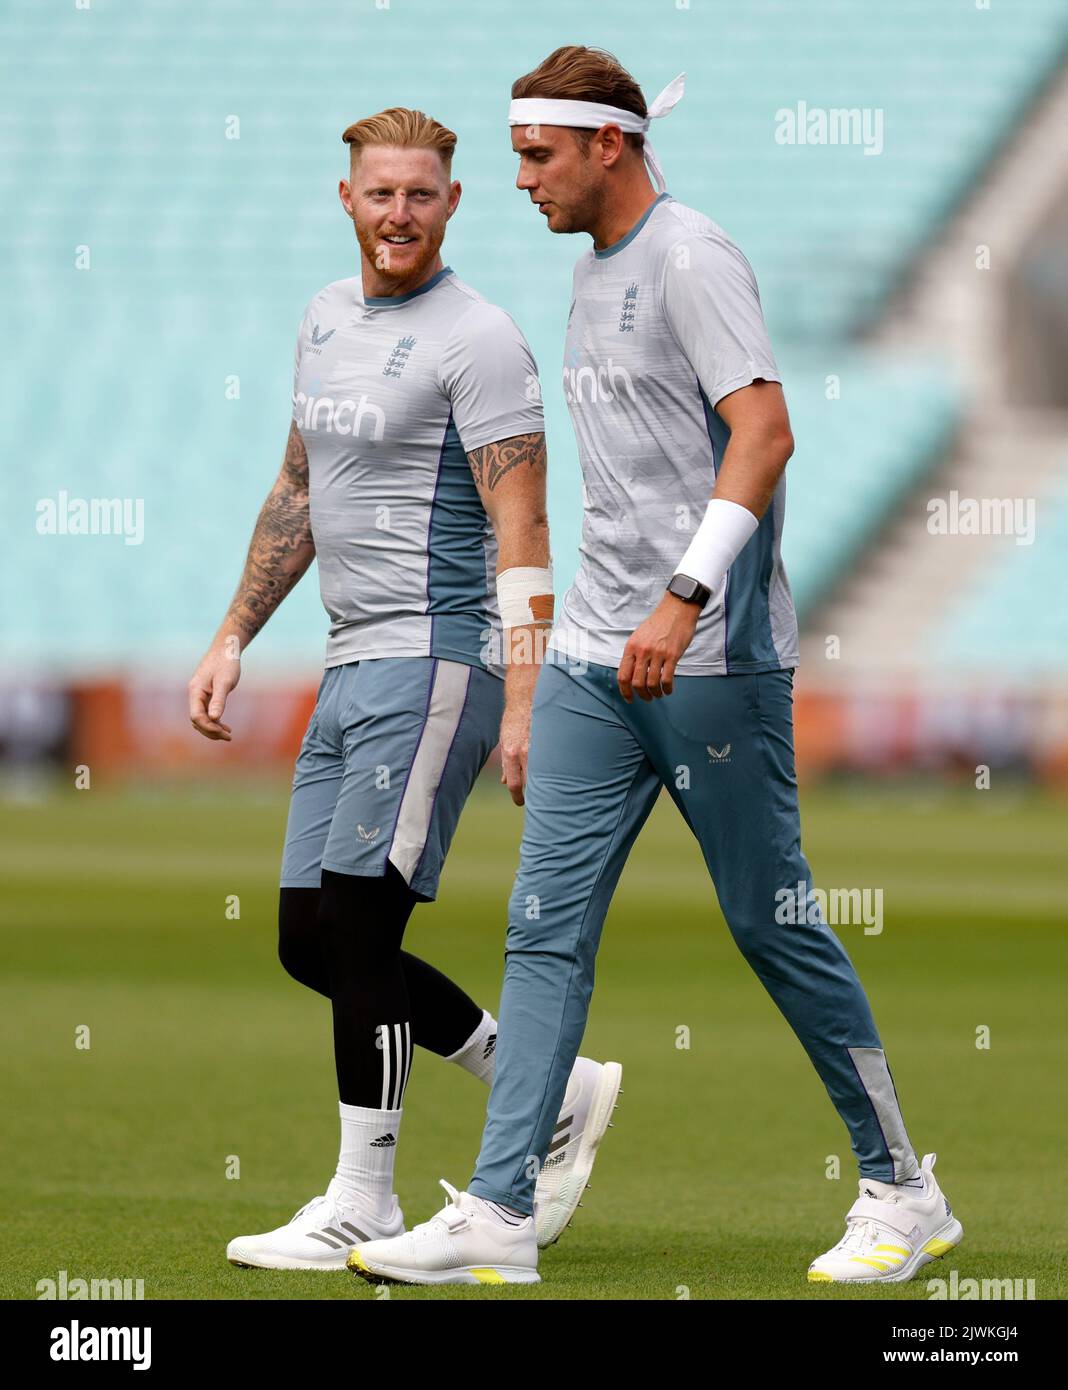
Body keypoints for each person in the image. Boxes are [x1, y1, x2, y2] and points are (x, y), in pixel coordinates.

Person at [349, 49, 962, 1288]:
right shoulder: (593, 276)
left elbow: (766, 432)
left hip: (708, 656)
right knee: (541, 928)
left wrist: (685, 597)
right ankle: (502, 1212)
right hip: (590, 655)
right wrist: (540, 679)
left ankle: (904, 1187)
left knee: (770, 918)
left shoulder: (691, 256)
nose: (518, 180)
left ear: (608, 145)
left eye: (537, 156)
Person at [187, 104, 621, 1271]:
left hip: (437, 660)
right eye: (380, 193)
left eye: (421, 194)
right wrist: (233, 631)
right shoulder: (323, 320)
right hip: (344, 660)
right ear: (347, 200)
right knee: (305, 939)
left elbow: (524, 526)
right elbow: (296, 487)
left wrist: (524, 698)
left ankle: (364, 1201)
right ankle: (552, 1083)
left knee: (364, 927)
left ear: (452, 202)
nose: (399, 214)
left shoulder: (477, 337)